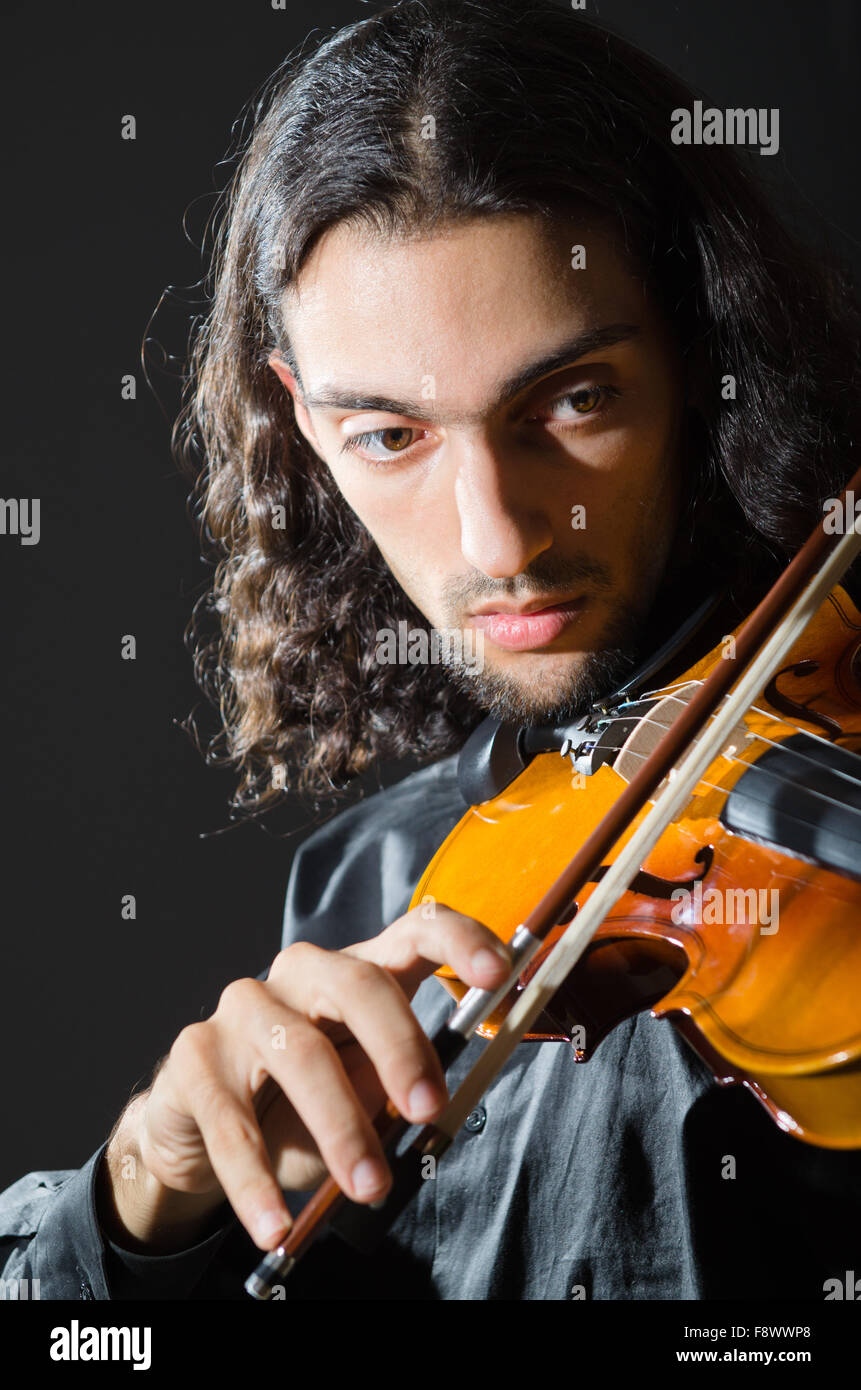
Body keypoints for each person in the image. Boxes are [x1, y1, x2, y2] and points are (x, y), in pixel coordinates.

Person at [2, 0, 860, 1301]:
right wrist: (142, 1204)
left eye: (571, 400)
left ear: (699, 354)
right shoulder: (372, 891)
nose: (497, 537)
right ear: (301, 420)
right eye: (390, 434)